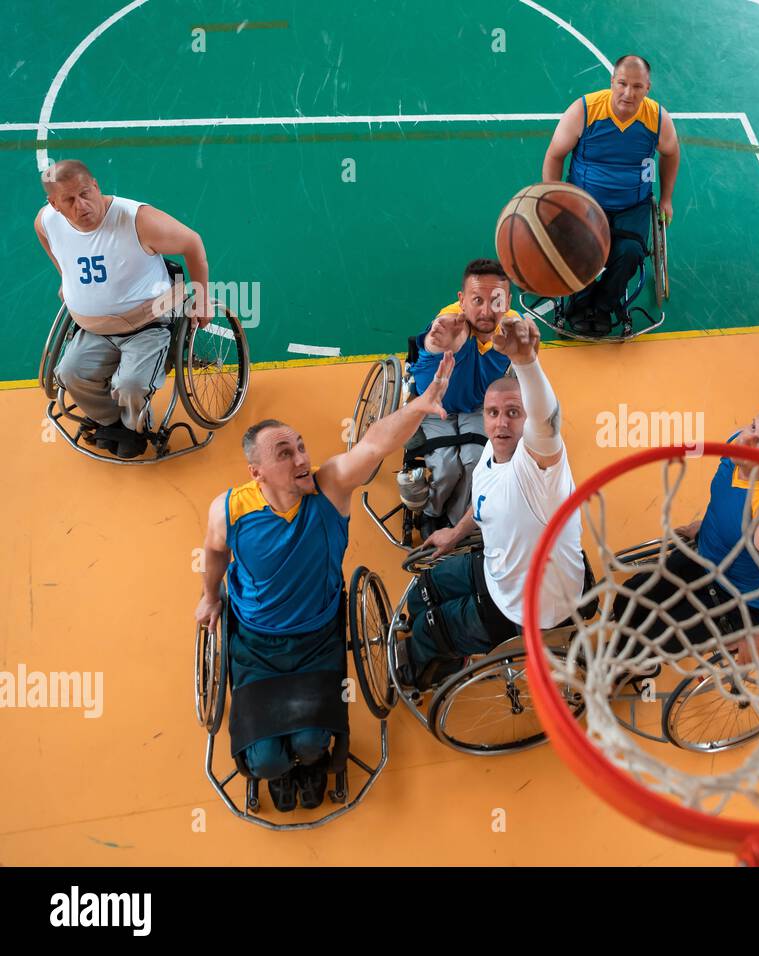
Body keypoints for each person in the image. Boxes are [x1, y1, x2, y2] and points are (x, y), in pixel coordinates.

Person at [194, 353, 454, 811]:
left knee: (313, 745)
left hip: (317, 638)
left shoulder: (329, 487)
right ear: (257, 472)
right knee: (269, 760)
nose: (301, 457)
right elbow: (215, 552)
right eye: (285, 453)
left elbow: (373, 446)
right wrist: (208, 597)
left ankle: (311, 762)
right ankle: (282, 764)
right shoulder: (230, 509)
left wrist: (417, 407)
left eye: (301, 446)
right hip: (256, 643)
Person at [402, 315, 587, 691]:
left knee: (426, 631)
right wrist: (455, 532)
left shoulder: (540, 470)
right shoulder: (492, 450)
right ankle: (447, 651)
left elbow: (548, 419)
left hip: (527, 608)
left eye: (513, 413)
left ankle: (424, 672)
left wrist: (526, 362)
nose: (501, 423)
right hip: (497, 571)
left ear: (526, 419)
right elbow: (484, 500)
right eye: (493, 413)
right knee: (424, 589)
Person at [612, 403, 759, 673]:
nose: (747, 439)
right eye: (753, 426)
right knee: (629, 599)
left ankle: (632, 668)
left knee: (649, 638)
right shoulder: (738, 447)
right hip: (708, 555)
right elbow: (728, 498)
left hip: (735, 600)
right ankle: (629, 656)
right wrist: (710, 524)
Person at [35, 160, 213, 458]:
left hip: (148, 323)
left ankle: (135, 429)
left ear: (96, 186)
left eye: (85, 193)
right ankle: (112, 423)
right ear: (54, 204)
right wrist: (65, 276)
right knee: (69, 372)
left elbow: (192, 243)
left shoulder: (137, 219)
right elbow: (45, 237)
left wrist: (203, 298)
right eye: (69, 200)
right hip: (94, 328)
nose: (82, 206)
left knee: (130, 385)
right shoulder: (47, 221)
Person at [542, 54, 681, 336]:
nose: (628, 93)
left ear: (647, 88)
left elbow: (671, 153)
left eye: (637, 86)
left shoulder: (657, 119)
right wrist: (553, 197)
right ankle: (580, 306)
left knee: (629, 253)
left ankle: (603, 306)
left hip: (634, 205)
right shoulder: (585, 110)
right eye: (622, 84)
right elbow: (555, 155)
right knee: (581, 247)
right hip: (585, 202)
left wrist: (666, 198)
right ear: (612, 82)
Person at [398, 259, 516, 539]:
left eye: (496, 300)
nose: (487, 311)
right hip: (435, 404)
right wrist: (440, 343)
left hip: (477, 404)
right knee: (447, 467)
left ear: (508, 301)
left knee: (476, 461)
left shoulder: (512, 328)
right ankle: (431, 512)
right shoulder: (451, 321)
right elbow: (437, 339)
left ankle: (455, 520)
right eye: (477, 300)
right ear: (462, 301)